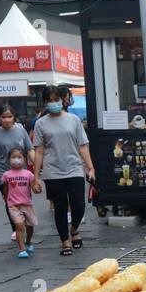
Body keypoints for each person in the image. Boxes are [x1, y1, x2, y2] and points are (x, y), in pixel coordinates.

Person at [32, 84, 95, 256]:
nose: (53, 103)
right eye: (50, 100)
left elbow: (83, 145)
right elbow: (39, 151)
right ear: (45, 102)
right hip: (52, 171)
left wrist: (90, 167)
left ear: (62, 100)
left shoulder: (74, 120)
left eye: (56, 100)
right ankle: (64, 240)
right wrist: (36, 177)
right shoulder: (40, 123)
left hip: (74, 168)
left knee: (79, 205)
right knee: (60, 207)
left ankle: (74, 229)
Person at [0, 104, 33, 243]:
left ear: (14, 118)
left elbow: (29, 149)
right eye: (3, 117)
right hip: (3, 173)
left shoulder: (21, 131)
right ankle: (16, 228)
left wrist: (37, 166)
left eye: (9, 117)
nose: (6, 120)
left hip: (21, 173)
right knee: (9, 201)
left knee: (23, 199)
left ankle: (23, 223)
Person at [1, 146, 42, 259]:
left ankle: (28, 242)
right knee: (19, 226)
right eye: (13, 157)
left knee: (30, 225)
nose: (16, 160)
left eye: (19, 157)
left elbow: (34, 186)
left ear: (24, 159)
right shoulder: (6, 175)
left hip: (27, 204)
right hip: (13, 205)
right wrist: (6, 198)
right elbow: (5, 188)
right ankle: (22, 248)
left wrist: (37, 189)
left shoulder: (28, 174)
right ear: (9, 159)